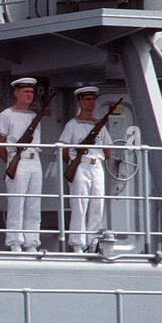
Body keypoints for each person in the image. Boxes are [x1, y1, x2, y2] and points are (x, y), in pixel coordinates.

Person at [61, 85, 114, 253]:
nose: (91, 103)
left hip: (96, 165)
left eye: (93, 99)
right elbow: (63, 149)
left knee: (97, 204)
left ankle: (92, 241)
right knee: (80, 204)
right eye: (87, 99)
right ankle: (77, 243)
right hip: (80, 165)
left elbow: (107, 151)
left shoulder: (99, 125)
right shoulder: (72, 124)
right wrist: (75, 159)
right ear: (80, 101)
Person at [0, 78, 43, 253]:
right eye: (25, 91)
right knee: (17, 202)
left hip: (35, 159)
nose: (29, 94)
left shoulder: (34, 116)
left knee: (34, 203)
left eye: (31, 91)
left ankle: (32, 242)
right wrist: (11, 162)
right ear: (16, 93)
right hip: (17, 159)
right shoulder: (6, 115)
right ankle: (15, 241)